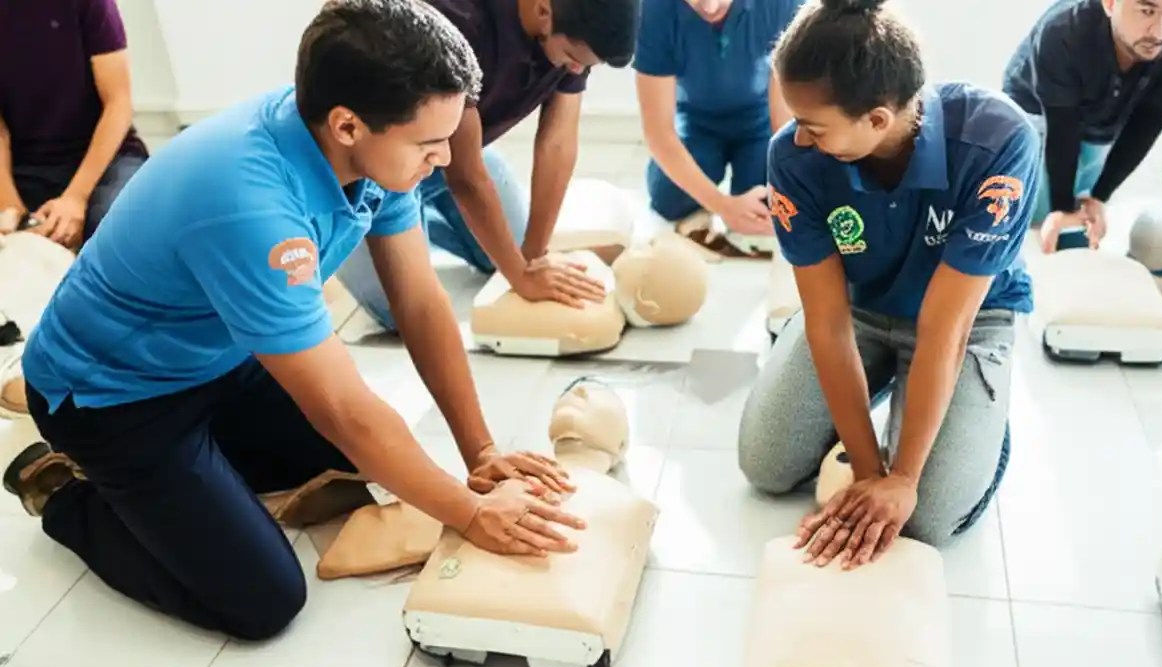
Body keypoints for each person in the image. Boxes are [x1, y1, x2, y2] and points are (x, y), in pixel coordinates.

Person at [3, 0, 586, 641]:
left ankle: (195, 478)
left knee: (372, 459)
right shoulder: (250, 204)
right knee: (264, 601)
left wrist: (481, 452)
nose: (447, 159)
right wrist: (473, 515)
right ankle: (61, 493)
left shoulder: (370, 147)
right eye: (430, 143)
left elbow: (420, 302)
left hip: (219, 360)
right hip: (113, 398)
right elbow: (341, 406)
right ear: (347, 127)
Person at [737, 0, 1039, 568]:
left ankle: (980, 424)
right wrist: (869, 469)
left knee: (925, 517)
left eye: (813, 126)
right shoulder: (793, 157)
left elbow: (945, 329)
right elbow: (827, 322)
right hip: (862, 312)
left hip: (969, 325)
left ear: (877, 120)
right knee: (766, 465)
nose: (797, 138)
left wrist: (902, 478)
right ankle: (889, 407)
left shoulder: (999, 142)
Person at [337, 0, 639, 328]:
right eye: (573, 58)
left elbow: (557, 144)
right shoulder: (457, 22)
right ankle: (348, 227)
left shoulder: (574, 28)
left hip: (455, 154)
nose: (577, 70)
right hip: (377, 170)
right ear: (543, 11)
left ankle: (422, 220)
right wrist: (521, 278)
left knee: (513, 251)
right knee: (406, 312)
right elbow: (465, 177)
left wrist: (533, 260)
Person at [1003, 0, 1162, 252]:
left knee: (1080, 217)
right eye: (1147, 11)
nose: (1161, 32)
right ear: (1109, 4)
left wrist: (1099, 196)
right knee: (1032, 217)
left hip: (1111, 112)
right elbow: (1062, 127)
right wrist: (1061, 207)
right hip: (1038, 109)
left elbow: (1151, 117)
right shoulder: (1064, 29)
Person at [633, 0, 804, 236]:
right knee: (668, 199)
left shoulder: (782, 4)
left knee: (772, 199)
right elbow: (658, 132)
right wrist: (723, 206)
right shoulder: (654, 11)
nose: (710, 8)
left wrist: (793, 180)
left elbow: (784, 119)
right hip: (696, 122)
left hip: (759, 121)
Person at [0, 0, 149, 249]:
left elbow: (118, 103)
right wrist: (10, 205)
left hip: (107, 158)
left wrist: (76, 198)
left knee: (115, 227)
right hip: (24, 166)